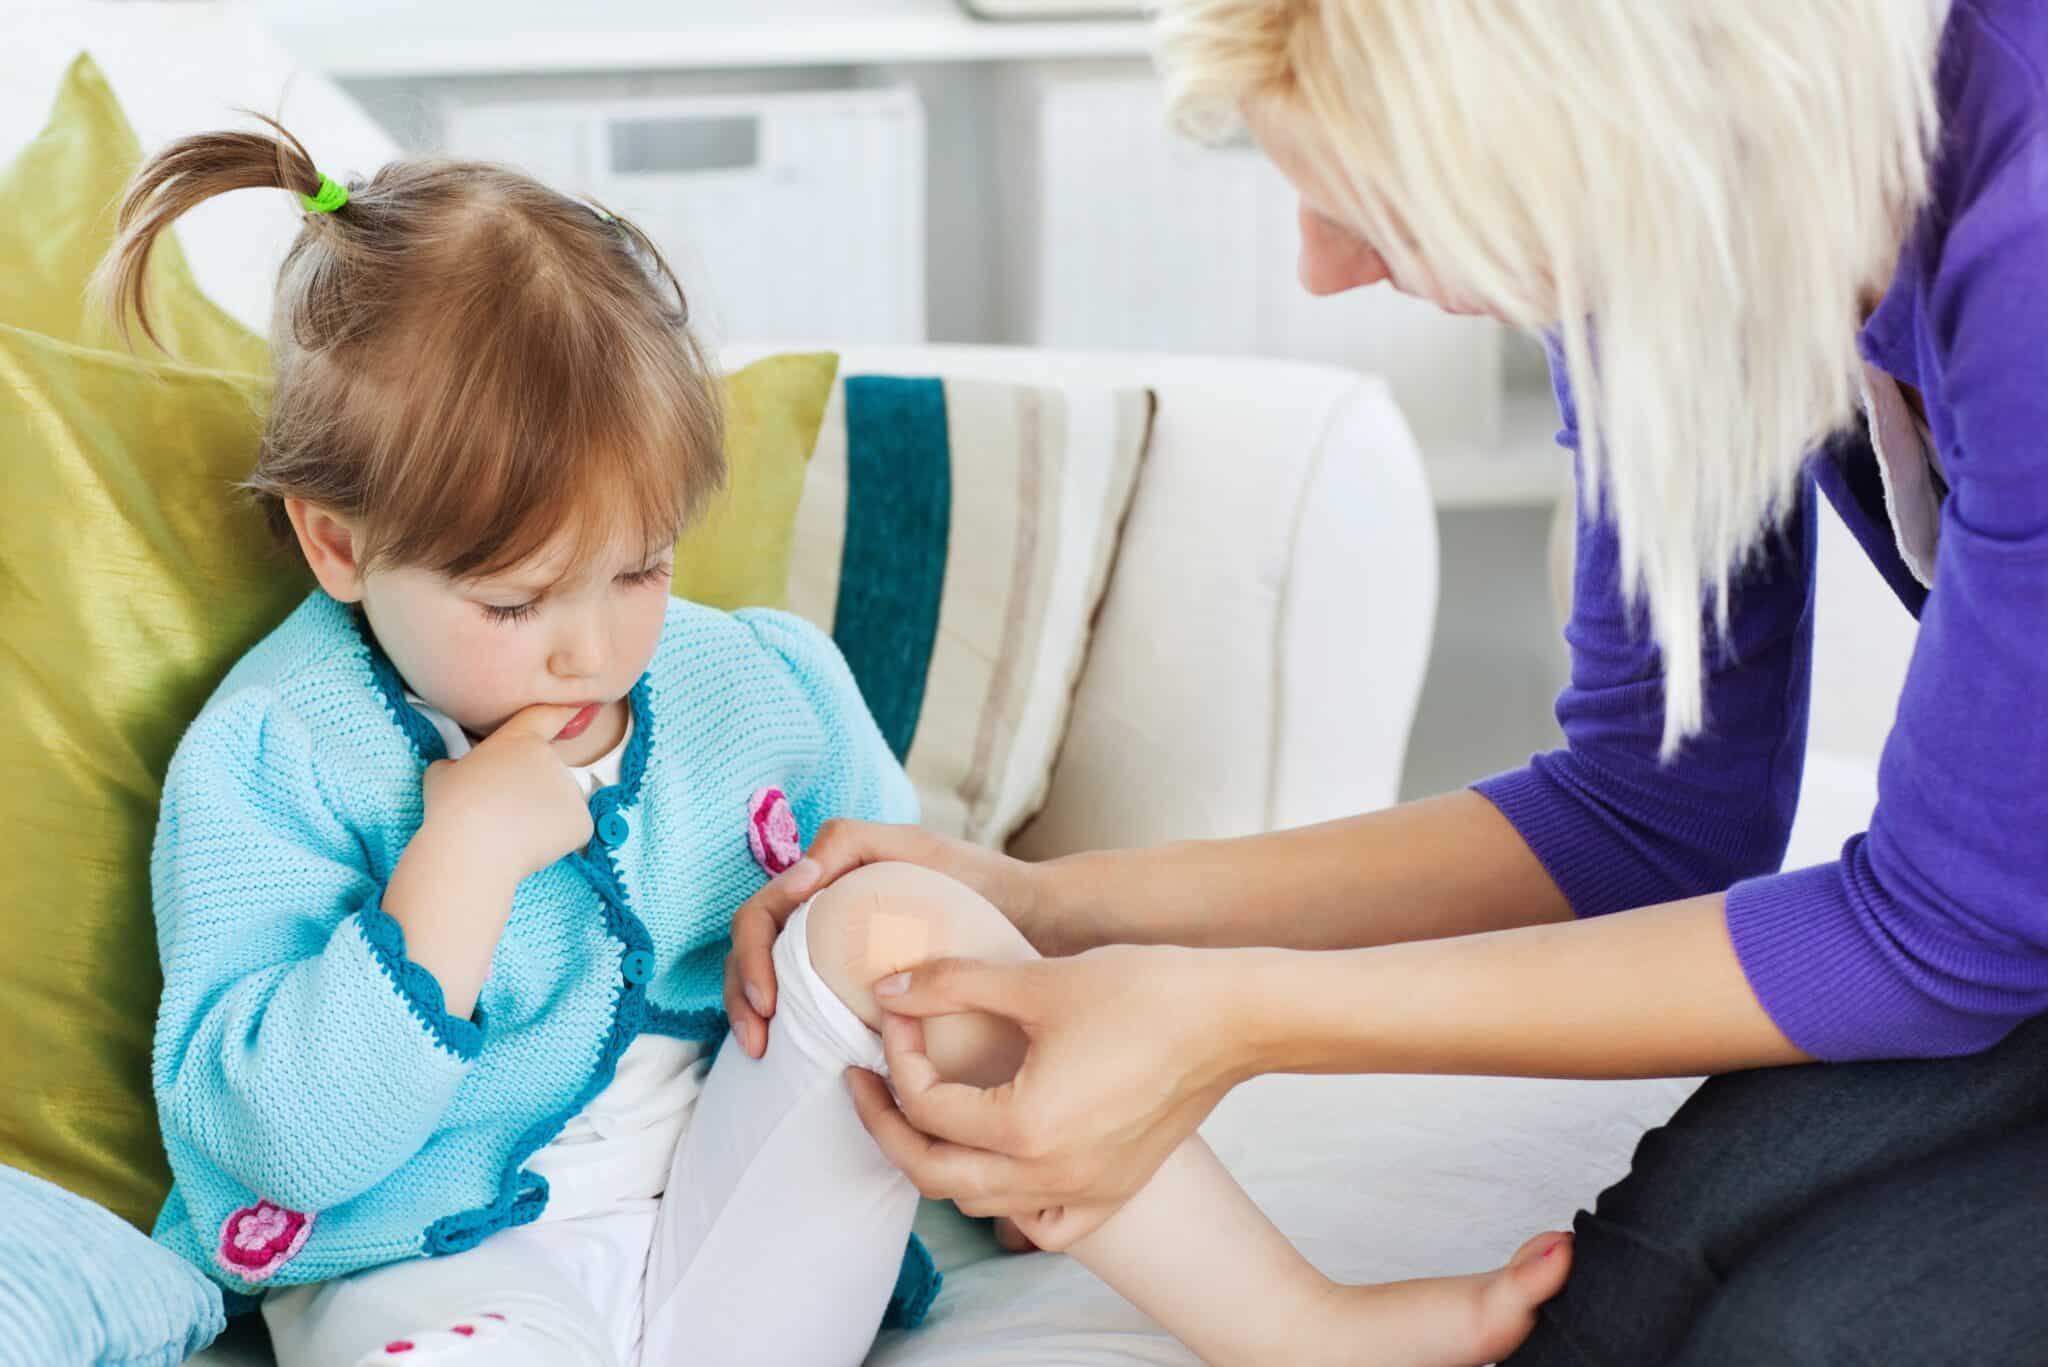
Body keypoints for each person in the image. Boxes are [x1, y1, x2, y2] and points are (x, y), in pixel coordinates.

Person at [115, 119, 1583, 1367]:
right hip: (426, 1287)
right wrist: (457, 867)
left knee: (905, 918)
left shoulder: (752, 691)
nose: (594, 646)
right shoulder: (276, 759)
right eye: (515, 600)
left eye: (639, 569)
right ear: (337, 544)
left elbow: (949, 975)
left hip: (754, 1246)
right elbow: (268, 1153)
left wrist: (994, 1085)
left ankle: (1298, 1324)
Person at [725, 1, 2048, 1362]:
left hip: (1997, 960)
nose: (1320, 266)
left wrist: (1236, 1022)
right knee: (1625, 1306)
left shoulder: (2019, 225)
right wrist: (1054, 911)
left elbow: (1946, 938)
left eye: (1383, 197)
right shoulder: (1676, 235)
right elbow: (1649, 817)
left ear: (1614, 117)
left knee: (1801, 1345)